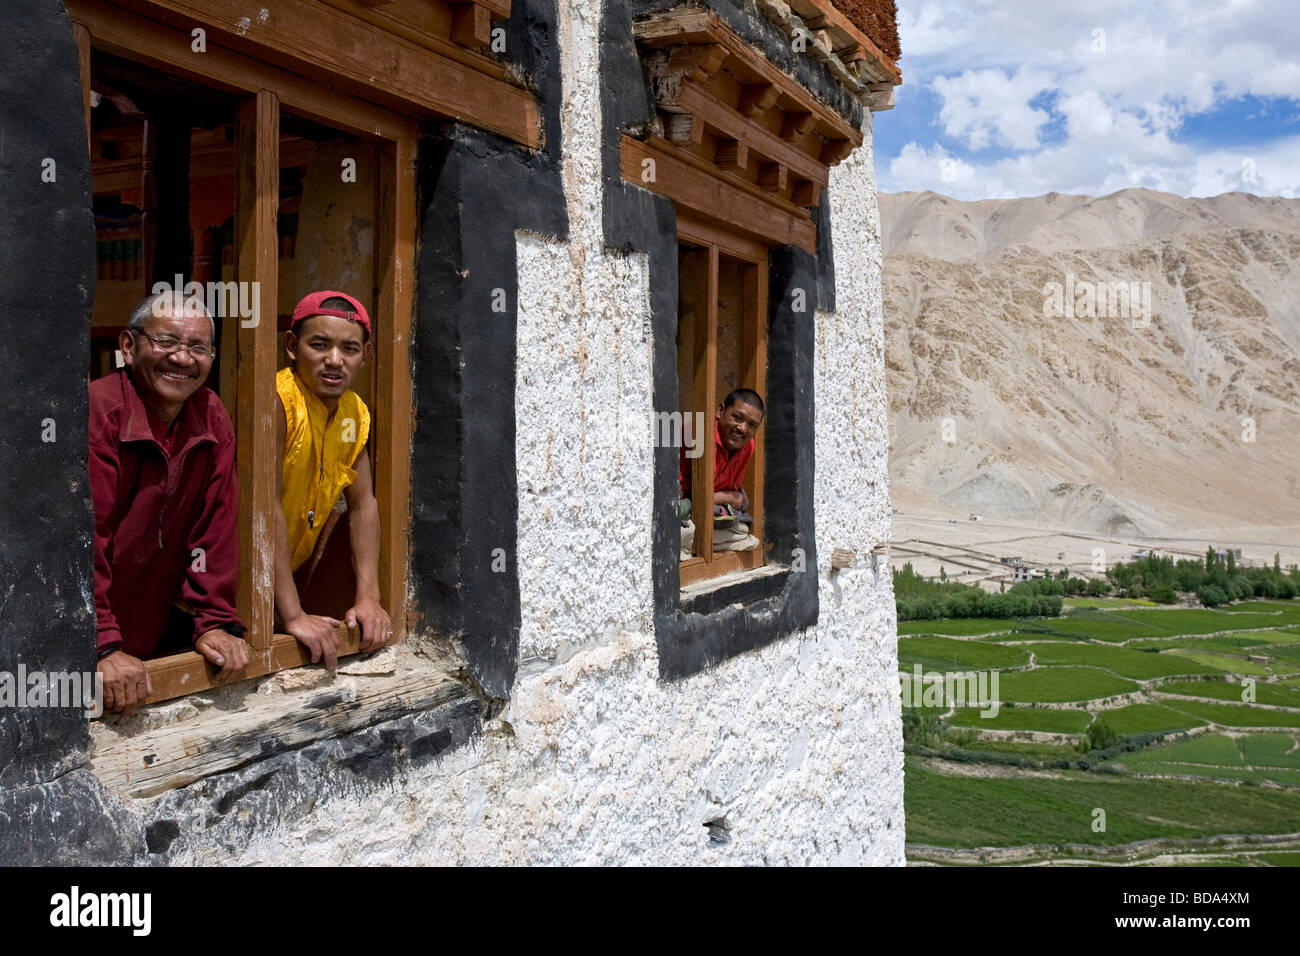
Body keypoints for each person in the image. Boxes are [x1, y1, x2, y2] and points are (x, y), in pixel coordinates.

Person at [90, 292, 250, 714]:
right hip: (84, 646)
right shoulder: (99, 410)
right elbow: (87, 538)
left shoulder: (210, 414)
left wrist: (214, 621)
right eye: (166, 342)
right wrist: (102, 643)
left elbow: (215, 526)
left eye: (198, 347)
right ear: (128, 346)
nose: (182, 359)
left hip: (150, 635)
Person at [273, 291, 392, 671]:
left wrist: (369, 597)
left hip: (288, 573)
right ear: (292, 346)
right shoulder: (278, 401)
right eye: (319, 345)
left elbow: (363, 504)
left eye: (350, 349)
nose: (334, 361)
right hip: (233, 584)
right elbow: (262, 508)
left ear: (366, 355)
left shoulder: (353, 413)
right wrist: (293, 615)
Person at [678, 388, 765, 557]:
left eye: (752, 425)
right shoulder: (699, 433)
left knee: (742, 530)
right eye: (737, 418)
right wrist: (729, 497)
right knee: (682, 531)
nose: (742, 429)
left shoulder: (748, 446)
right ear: (720, 411)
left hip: (707, 510)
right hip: (681, 503)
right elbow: (698, 497)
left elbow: (731, 492)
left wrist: (725, 498)